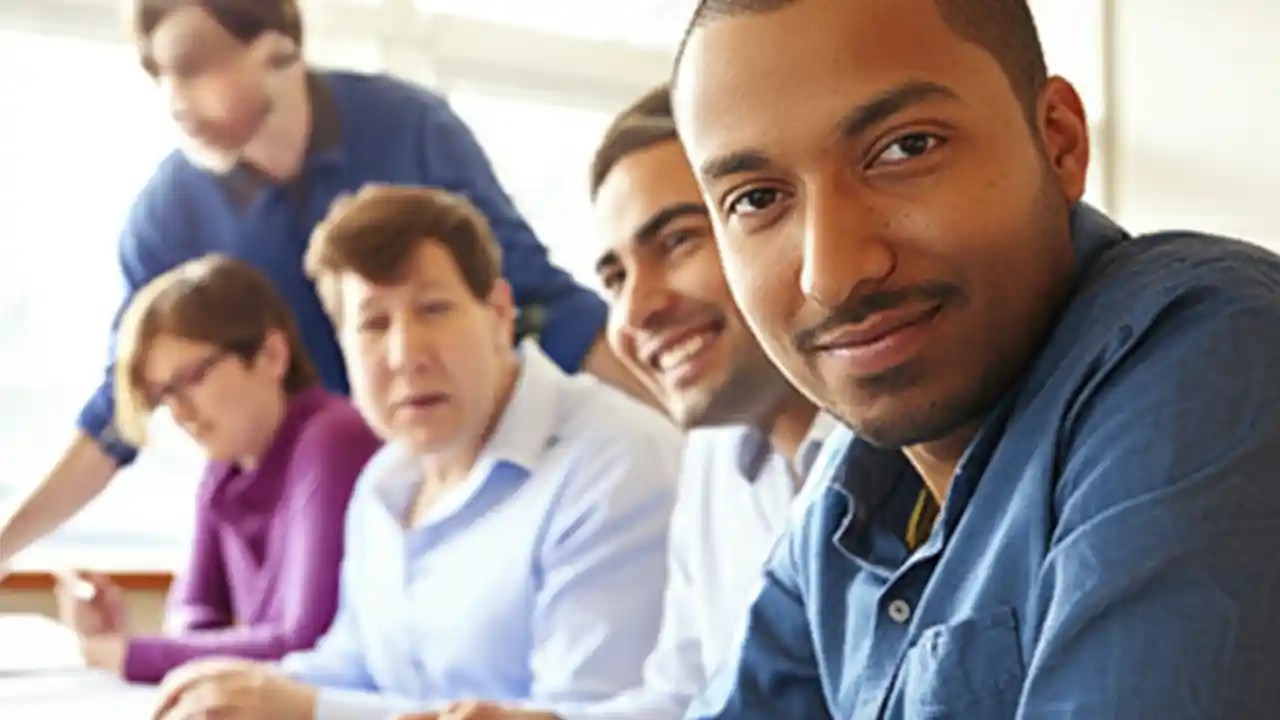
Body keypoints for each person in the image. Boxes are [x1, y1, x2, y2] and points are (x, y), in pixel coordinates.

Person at [669, 0, 1280, 717]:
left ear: (1060, 143)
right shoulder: (848, 492)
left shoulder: (1203, 350)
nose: (831, 274)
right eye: (758, 198)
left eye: (906, 148)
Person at [0, 0, 645, 572]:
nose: (174, 99)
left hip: (466, 480)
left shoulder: (409, 128)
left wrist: (702, 424)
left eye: (193, 66)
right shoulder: (168, 216)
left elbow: (543, 303)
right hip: (315, 522)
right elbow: (120, 409)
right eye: (159, 74)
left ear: (277, 45)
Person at [147, 185, 681, 720]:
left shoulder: (614, 461)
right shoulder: (385, 481)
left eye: (433, 309)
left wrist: (311, 709)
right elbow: (352, 665)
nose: (405, 356)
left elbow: (576, 714)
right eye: (374, 324)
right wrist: (236, 692)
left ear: (499, 312)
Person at [393, 85, 840, 720]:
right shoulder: (712, 454)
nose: (635, 310)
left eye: (679, 241)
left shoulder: (910, 443)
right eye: (615, 277)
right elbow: (686, 695)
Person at [54, 254, 382, 685]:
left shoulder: (334, 438)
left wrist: (129, 654)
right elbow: (192, 615)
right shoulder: (224, 466)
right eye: (164, 394)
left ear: (272, 354)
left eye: (192, 377)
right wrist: (143, 648)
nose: (181, 411)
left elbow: (304, 643)